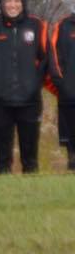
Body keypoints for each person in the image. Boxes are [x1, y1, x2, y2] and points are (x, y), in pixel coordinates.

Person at [0, 0, 48, 174]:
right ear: (1, 3)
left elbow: (46, 59)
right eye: (8, 0)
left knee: (30, 156)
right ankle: (3, 192)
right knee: (2, 156)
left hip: (30, 101)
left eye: (16, 0)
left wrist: (35, 84)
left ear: (23, 2)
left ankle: (31, 193)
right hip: (0, 101)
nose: (12, 5)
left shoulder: (37, 25)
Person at [49, 11, 75, 170]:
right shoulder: (62, 26)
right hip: (70, 93)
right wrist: (62, 85)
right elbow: (53, 56)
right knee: (71, 139)